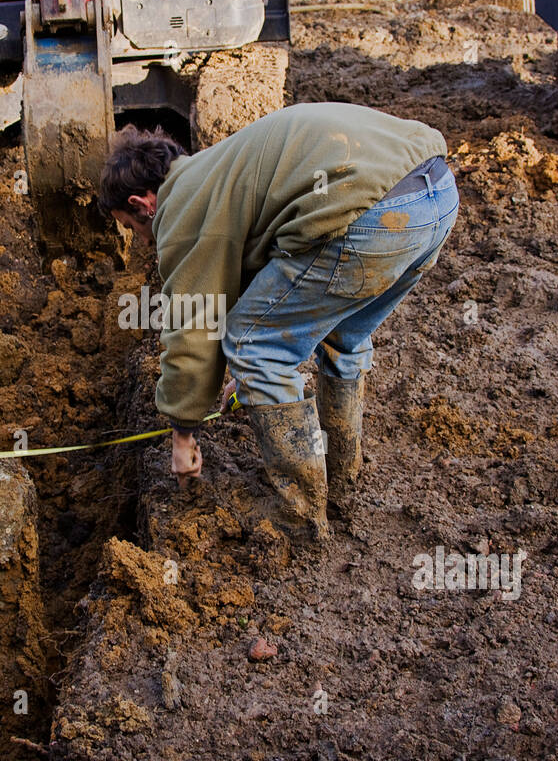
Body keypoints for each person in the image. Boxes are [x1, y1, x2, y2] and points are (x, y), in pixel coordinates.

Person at [98, 104, 458, 544]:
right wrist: (247, 381)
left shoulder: (182, 209)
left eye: (133, 229)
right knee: (342, 338)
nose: (143, 240)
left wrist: (183, 431)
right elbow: (275, 288)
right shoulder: (218, 169)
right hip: (434, 194)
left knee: (255, 347)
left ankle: (299, 518)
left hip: (370, 216)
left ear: (143, 203)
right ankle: (342, 476)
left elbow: (193, 326)